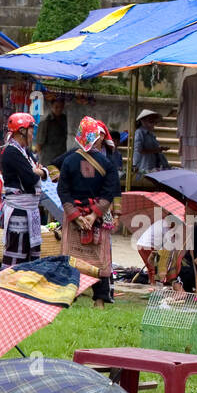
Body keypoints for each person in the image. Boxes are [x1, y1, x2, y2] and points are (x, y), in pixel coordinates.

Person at [58, 116, 120, 307]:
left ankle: (70, 297)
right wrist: (93, 215)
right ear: (95, 138)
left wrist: (76, 217)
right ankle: (99, 300)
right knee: (99, 260)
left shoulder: (68, 161)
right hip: (97, 219)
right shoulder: (107, 164)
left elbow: (63, 190)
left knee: (71, 258)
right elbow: (109, 192)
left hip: (73, 215)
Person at [0, 112, 48, 266]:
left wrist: (38, 172)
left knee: (30, 251)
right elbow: (30, 179)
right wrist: (38, 172)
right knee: (17, 251)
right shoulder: (11, 152)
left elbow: (38, 172)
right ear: (22, 131)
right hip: (19, 210)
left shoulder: (24, 151)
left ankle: (26, 285)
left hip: (30, 210)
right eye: (31, 130)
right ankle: (10, 286)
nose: (32, 134)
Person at [133, 109, 170, 176]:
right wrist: (158, 149)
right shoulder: (139, 133)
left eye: (153, 120)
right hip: (143, 167)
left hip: (152, 167)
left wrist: (160, 149)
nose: (153, 122)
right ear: (142, 121)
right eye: (150, 119)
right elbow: (139, 150)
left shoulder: (151, 134)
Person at [37, 97, 70, 167]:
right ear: (52, 106)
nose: (59, 109)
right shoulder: (45, 121)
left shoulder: (64, 119)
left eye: (61, 107)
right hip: (48, 159)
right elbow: (39, 144)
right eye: (56, 107)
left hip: (61, 157)